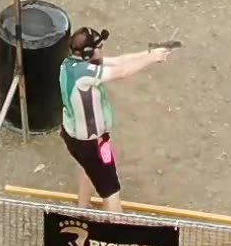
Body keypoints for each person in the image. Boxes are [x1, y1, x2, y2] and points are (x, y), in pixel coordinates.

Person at [55, 28, 179, 208]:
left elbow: (119, 61)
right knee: (110, 189)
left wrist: (151, 53)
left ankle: (82, 206)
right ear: (89, 52)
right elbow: (122, 71)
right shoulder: (86, 73)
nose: (102, 52)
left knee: (87, 167)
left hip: (81, 138)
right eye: (99, 48)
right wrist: (152, 59)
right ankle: (115, 228)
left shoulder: (71, 64)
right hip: (92, 143)